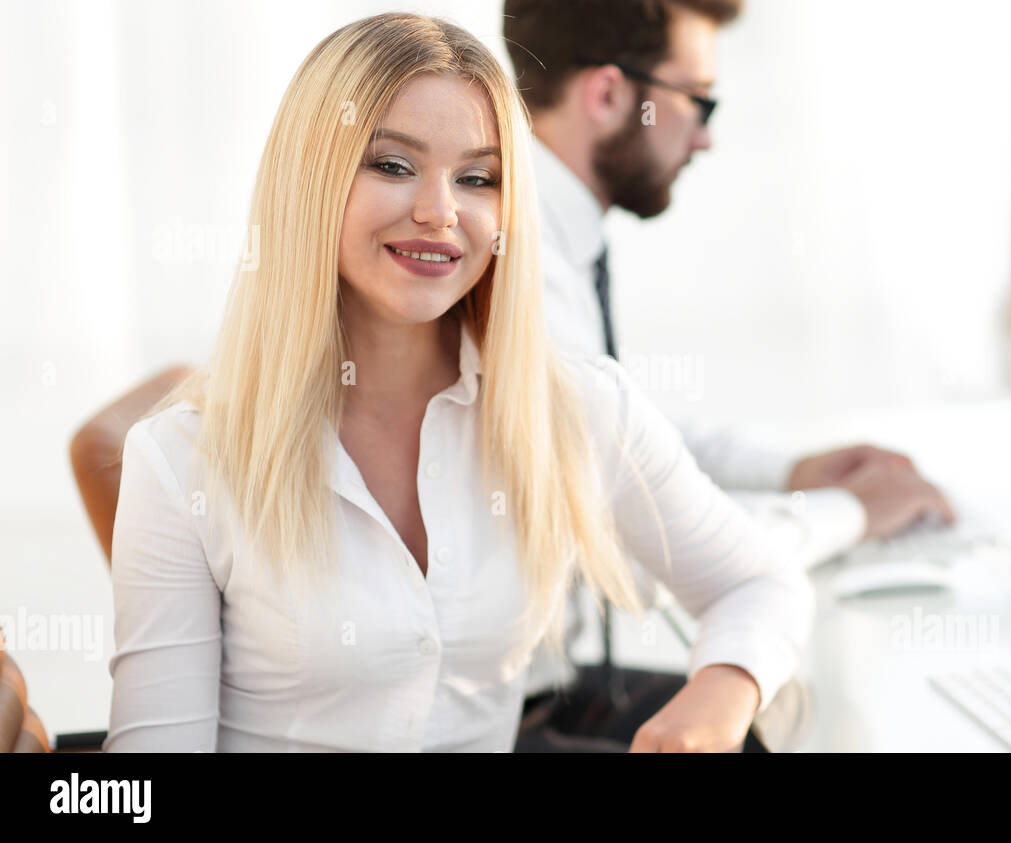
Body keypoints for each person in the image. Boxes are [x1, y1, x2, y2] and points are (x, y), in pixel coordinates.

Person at [103, 12, 811, 753]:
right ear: (309, 179)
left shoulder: (573, 407)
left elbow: (761, 582)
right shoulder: (182, 461)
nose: (441, 211)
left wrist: (720, 693)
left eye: (478, 178)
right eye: (393, 165)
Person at [502, 0, 955, 750]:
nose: (706, 136)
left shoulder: (546, 231)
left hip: (548, 685)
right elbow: (636, 541)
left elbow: (621, 434)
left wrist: (790, 470)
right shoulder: (521, 270)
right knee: (811, 709)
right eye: (697, 99)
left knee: (787, 700)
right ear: (609, 94)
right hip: (506, 718)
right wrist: (848, 510)